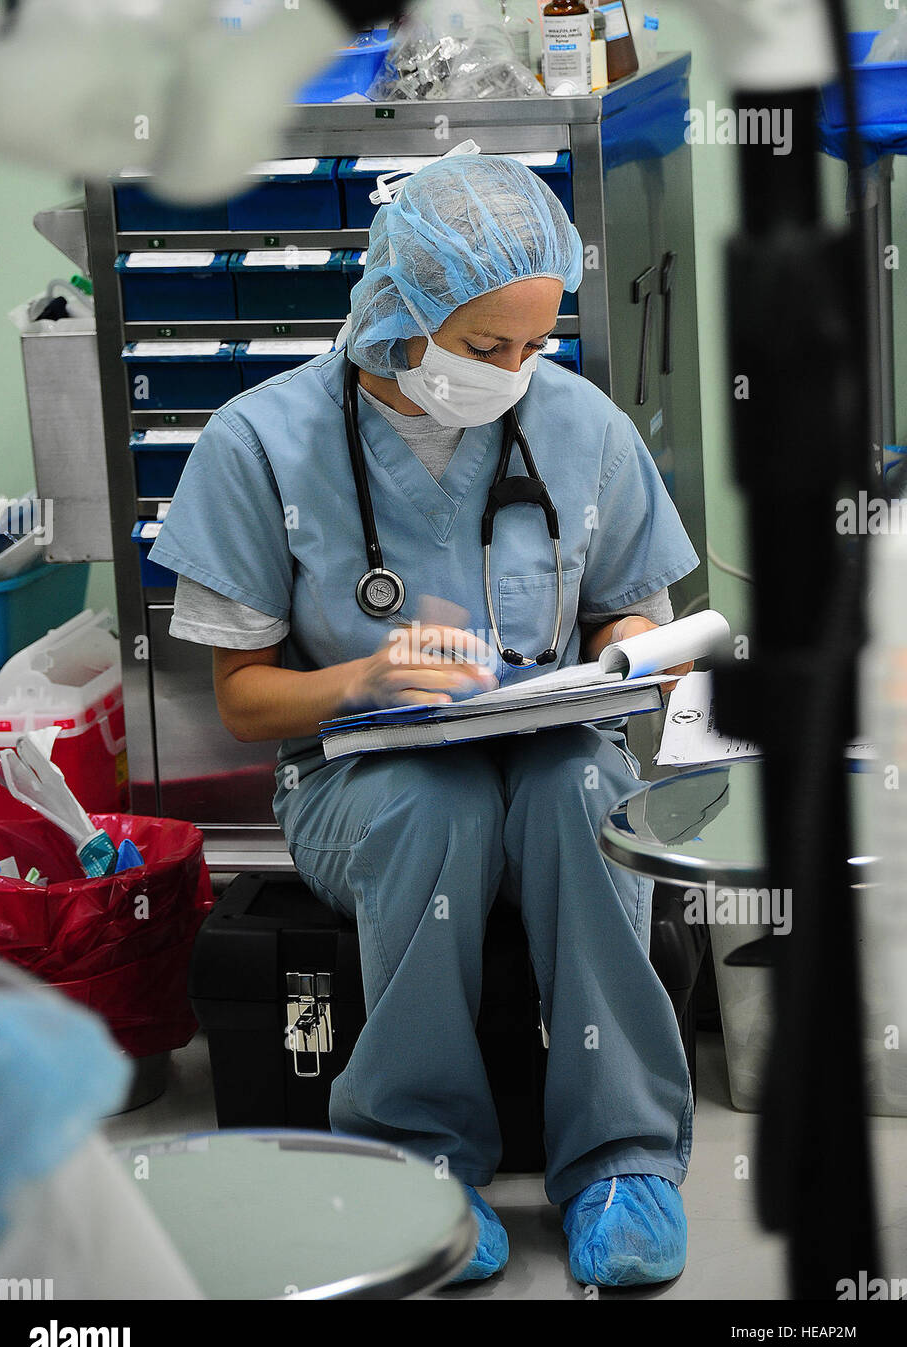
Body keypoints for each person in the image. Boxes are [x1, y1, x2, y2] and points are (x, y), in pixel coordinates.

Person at [149, 153, 699, 1288]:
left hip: (547, 751)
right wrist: (364, 680)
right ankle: (416, 1160)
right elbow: (246, 700)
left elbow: (635, 607)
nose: (513, 373)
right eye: (484, 348)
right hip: (362, 784)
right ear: (401, 312)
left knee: (583, 789)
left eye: (533, 346)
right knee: (427, 798)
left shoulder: (578, 424)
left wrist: (623, 660)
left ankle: (623, 1160)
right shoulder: (258, 443)